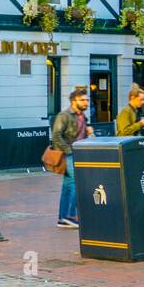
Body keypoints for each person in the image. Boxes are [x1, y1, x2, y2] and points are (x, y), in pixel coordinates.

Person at [51, 86, 94, 228]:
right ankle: (70, 215)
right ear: (73, 101)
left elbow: (82, 135)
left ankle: (63, 218)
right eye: (82, 100)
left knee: (68, 186)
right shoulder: (64, 115)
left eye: (87, 100)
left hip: (78, 152)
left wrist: (89, 133)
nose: (86, 102)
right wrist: (68, 151)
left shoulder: (83, 116)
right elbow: (56, 135)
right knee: (75, 182)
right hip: (69, 153)